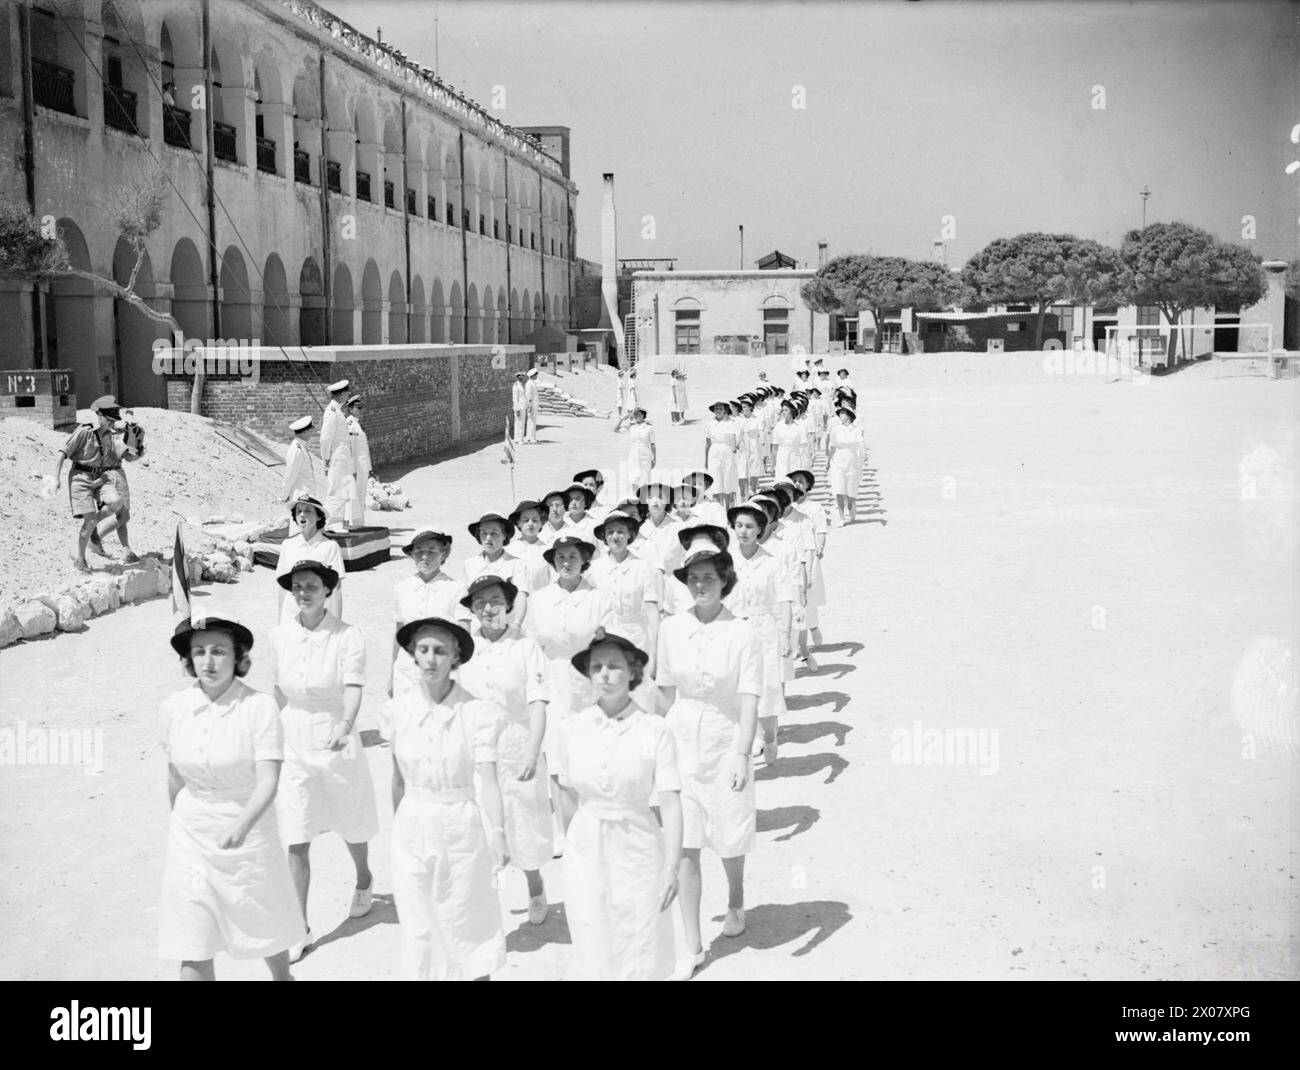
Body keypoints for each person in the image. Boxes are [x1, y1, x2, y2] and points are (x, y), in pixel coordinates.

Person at [158, 615, 304, 980]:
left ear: (238, 658)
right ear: (189, 660)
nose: (208, 661)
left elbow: (268, 780)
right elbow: (175, 775)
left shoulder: (259, 707)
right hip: (191, 837)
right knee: (192, 943)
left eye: (219, 651)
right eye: (200, 652)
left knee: (264, 926)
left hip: (249, 832)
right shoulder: (173, 708)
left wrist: (242, 826)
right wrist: (182, 822)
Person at [655, 534, 761, 979]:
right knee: (685, 843)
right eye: (693, 578)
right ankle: (692, 945)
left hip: (725, 736)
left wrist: (742, 753)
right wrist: (659, 747)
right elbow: (662, 690)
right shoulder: (671, 628)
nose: (700, 585)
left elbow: (750, 696)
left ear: (724, 582)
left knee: (731, 833)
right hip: (681, 738)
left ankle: (736, 898)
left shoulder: (742, 631)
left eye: (709, 578)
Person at [384, 617, 509, 980]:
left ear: (455, 658)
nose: (431, 659)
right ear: (412, 655)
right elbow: (396, 780)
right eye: (423, 650)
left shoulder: (476, 712)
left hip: (461, 825)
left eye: (440, 651)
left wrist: (498, 832)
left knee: (467, 925)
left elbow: (488, 780)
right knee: (420, 929)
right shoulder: (398, 711)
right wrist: (400, 831)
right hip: (413, 825)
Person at [553, 633, 683, 980]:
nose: (605, 674)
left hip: (639, 843)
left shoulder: (654, 730)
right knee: (593, 935)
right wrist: (571, 847)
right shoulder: (572, 728)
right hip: (586, 844)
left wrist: (671, 867)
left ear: (633, 672)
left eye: (614, 666)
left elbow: (670, 805)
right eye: (597, 667)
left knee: (640, 937)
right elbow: (565, 793)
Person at [270, 559, 378, 962]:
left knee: (350, 819)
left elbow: (353, 686)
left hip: (336, 734)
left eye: (311, 585)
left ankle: (364, 878)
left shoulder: (347, 636)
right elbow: (277, 689)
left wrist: (347, 724)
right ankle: (299, 927)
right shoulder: (278, 635)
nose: (303, 592)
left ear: (327, 590)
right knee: (296, 834)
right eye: (297, 586)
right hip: (294, 736)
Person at [455, 576, 552, 925]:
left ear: (509, 605)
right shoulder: (465, 648)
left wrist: (532, 750)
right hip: (477, 745)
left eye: (495, 600)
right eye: (479, 603)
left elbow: (539, 703)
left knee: (524, 821)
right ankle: (488, 898)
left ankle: (535, 885)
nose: (488, 608)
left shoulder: (526, 647)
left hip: (516, 740)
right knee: (481, 823)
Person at [524, 536, 617, 852]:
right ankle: (565, 830)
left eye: (572, 556)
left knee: (592, 754)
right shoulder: (540, 599)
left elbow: (609, 643)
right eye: (560, 557)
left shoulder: (598, 598)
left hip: (589, 682)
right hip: (553, 681)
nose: (566, 562)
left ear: (584, 560)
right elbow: (533, 644)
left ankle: (598, 825)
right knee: (557, 757)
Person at [726, 501, 792, 764]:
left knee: (766, 689)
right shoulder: (726, 561)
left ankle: (770, 736)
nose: (743, 531)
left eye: (750, 526)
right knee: (737, 689)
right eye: (739, 525)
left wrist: (786, 634)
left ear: (760, 530)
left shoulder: (772, 563)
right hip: (733, 630)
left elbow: (785, 599)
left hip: (764, 631)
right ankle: (749, 739)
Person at [49, 395, 133, 573]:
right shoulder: (85, 431)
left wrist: (130, 431)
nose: (112, 424)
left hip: (99, 478)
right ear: (100, 416)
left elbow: (123, 444)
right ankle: (80, 558)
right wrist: (55, 479)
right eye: (109, 420)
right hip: (80, 478)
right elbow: (61, 455)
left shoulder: (108, 434)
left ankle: (93, 530)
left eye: (113, 421)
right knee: (90, 519)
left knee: (118, 504)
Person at [588, 510, 662, 709]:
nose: (615, 537)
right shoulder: (595, 569)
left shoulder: (642, 566)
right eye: (610, 532)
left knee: (640, 694)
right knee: (608, 692)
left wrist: (655, 651)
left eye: (621, 531)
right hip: (605, 638)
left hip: (637, 637)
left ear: (630, 534)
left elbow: (652, 609)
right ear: (604, 536)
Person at [391, 530, 463, 700]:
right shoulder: (402, 588)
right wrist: (391, 676)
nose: (424, 557)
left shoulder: (455, 589)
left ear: (443, 554)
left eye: (431, 551)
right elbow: (398, 633)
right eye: (419, 551)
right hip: (405, 672)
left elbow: (462, 633)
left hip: (439, 670)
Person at [275, 495, 344, 626]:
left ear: (319, 516)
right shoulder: (287, 545)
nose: (302, 515)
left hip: (319, 617)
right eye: (298, 511)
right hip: (291, 615)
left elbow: (336, 589)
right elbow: (282, 588)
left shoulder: (330, 547)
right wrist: (280, 622)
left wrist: (336, 624)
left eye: (308, 511)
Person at [462, 513, 532, 628]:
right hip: (478, 628)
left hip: (507, 627)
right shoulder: (470, 564)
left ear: (504, 535)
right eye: (484, 533)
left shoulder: (516, 563)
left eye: (494, 533)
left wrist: (517, 623)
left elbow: (521, 596)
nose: (488, 538)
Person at [319, 379, 354, 530]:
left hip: (344, 455)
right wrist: (326, 458)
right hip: (337, 455)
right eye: (346, 392)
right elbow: (325, 438)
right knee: (335, 490)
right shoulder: (332, 411)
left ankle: (339, 523)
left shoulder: (338, 409)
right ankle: (326, 524)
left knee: (344, 489)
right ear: (340, 393)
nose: (348, 395)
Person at [509, 499, 556, 592]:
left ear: (541, 523)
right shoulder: (509, 550)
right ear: (518, 523)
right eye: (525, 520)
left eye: (535, 520)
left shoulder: (548, 550)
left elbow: (554, 581)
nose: (530, 524)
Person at [704, 400, 740, 510]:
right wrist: (705, 460)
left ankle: (729, 509)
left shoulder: (732, 423)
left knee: (729, 481)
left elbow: (736, 441)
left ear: (725, 410)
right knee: (716, 482)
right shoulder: (709, 424)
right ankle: (718, 510)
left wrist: (734, 449)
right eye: (716, 409)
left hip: (728, 452)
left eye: (720, 408)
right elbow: (707, 443)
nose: (718, 411)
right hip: (714, 452)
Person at [344, 396, 371, 528]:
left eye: (361, 407)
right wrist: (352, 469)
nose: (360, 410)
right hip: (357, 467)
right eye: (358, 408)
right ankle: (354, 523)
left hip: (363, 466)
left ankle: (359, 523)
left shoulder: (356, 424)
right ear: (350, 409)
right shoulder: (350, 425)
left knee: (361, 495)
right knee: (355, 496)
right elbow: (351, 449)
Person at [282, 415, 320, 503]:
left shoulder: (301, 446)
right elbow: (290, 474)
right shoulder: (296, 449)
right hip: (300, 495)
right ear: (304, 432)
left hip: (306, 493)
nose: (311, 433)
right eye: (310, 431)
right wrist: (284, 496)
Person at [772, 399, 811, 478]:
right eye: (782, 410)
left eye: (786, 410)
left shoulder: (799, 427)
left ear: (792, 411)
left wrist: (805, 466)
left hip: (795, 460)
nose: (783, 412)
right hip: (781, 460)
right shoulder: (778, 426)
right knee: (782, 484)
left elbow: (804, 448)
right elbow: (775, 448)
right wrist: (773, 465)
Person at [736, 396, 762, 500]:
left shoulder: (757, 419)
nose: (743, 409)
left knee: (754, 469)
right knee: (742, 471)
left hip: (754, 446)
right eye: (742, 407)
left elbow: (760, 433)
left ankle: (753, 490)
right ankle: (743, 494)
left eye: (745, 407)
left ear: (750, 407)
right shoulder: (738, 420)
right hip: (742, 448)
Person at [626, 407, 656, 490]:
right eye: (634, 414)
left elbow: (653, 444)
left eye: (637, 414)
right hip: (633, 455)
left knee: (645, 477)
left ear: (643, 415)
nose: (635, 416)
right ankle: (634, 497)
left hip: (645, 454)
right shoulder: (631, 427)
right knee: (633, 477)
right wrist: (622, 419)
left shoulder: (649, 428)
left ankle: (643, 499)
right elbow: (616, 430)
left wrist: (654, 459)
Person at [523, 368, 541, 443]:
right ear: (533, 375)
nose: (537, 376)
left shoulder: (532, 382)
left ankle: (530, 437)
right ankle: (531, 438)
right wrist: (529, 405)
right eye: (536, 374)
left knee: (532, 420)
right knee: (531, 421)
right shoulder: (529, 384)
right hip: (531, 405)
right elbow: (528, 395)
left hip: (534, 404)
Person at [512, 372, 528, 442]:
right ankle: (519, 439)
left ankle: (518, 438)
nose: (521, 379)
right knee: (519, 423)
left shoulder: (522, 385)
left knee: (521, 423)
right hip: (519, 407)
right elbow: (515, 398)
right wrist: (517, 409)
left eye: (522, 378)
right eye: (520, 378)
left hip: (523, 406)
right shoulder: (516, 385)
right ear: (517, 378)